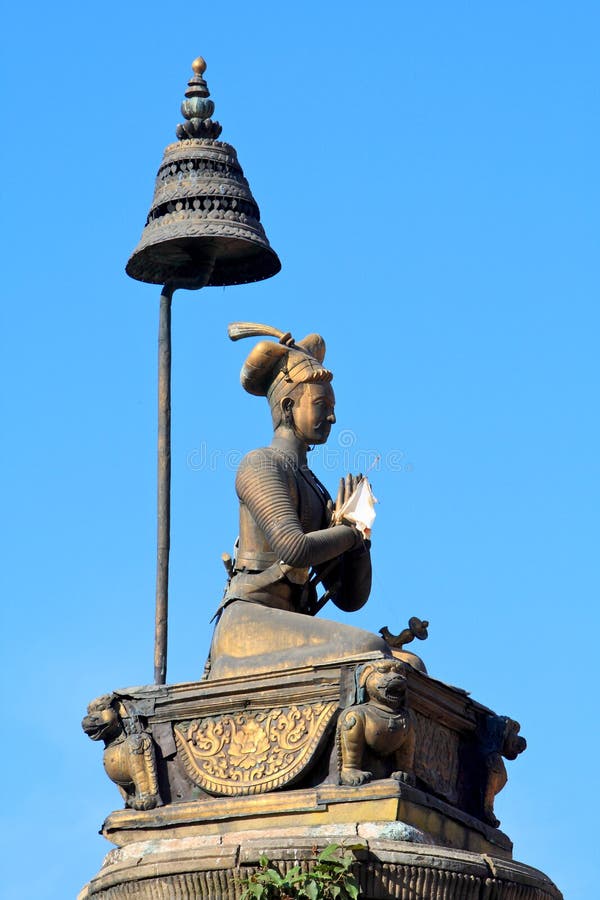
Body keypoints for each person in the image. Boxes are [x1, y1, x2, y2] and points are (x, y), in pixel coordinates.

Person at [207, 324, 389, 679]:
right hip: (249, 622)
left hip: (291, 622)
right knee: (373, 652)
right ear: (288, 406)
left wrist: (359, 539)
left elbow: (350, 599)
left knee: (404, 665)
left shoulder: (316, 489)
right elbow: (292, 547)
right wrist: (348, 534)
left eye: (332, 407)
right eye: (322, 405)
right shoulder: (261, 464)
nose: (333, 417)